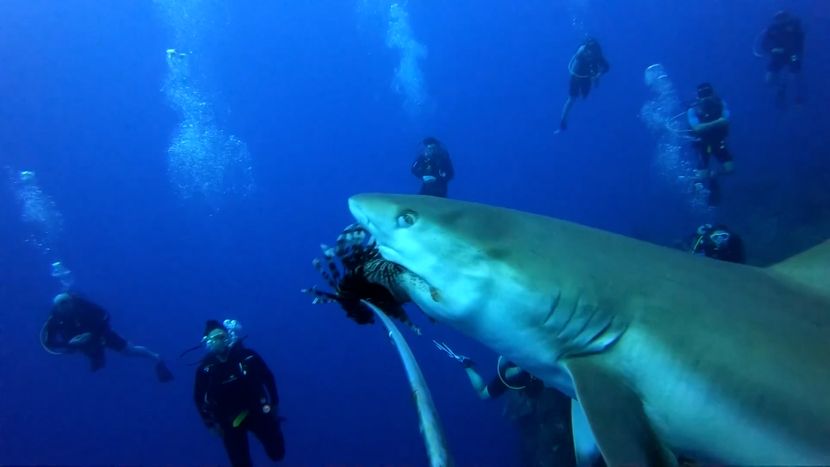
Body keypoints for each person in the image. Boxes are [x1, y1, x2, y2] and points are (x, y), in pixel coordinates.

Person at [194, 319, 285, 467]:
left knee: (277, 454)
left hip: (257, 410)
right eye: (214, 338)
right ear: (207, 342)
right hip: (228, 420)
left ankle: (275, 428)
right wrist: (210, 424)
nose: (218, 341)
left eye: (221, 336)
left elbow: (268, 377)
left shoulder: (248, 357)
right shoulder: (205, 369)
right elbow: (198, 397)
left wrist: (274, 403)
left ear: (228, 336)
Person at [40, 292, 173, 382]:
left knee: (130, 351)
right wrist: (70, 344)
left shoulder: (84, 307)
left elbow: (105, 315)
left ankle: (156, 358)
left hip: (101, 334)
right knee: (96, 362)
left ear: (72, 301)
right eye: (60, 305)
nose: (64, 307)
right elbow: (49, 342)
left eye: (66, 302)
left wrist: (94, 334)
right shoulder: (55, 319)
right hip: (82, 344)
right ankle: (98, 361)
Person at [433, 341, 543, 399]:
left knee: (483, 394)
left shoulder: (531, 378)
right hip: (509, 365)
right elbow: (508, 374)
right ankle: (467, 365)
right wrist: (522, 368)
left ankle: (467, 364)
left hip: (515, 360)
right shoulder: (522, 377)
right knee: (482, 393)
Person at [687, 82, 734, 206]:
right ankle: (694, 182)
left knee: (730, 169)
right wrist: (717, 122)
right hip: (703, 145)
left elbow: (726, 119)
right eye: (702, 94)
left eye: (708, 93)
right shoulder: (693, 110)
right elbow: (697, 128)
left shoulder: (720, 104)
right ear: (698, 96)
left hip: (718, 142)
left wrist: (706, 126)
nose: (706, 97)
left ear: (713, 93)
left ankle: (713, 176)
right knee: (701, 176)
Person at [558, 37, 610, 132]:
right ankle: (563, 120)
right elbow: (574, 69)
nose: (589, 54)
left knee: (584, 96)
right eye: (587, 52)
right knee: (572, 98)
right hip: (577, 75)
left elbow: (607, 67)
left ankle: (594, 79)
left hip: (588, 75)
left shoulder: (597, 55)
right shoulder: (580, 54)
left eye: (591, 53)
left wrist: (598, 74)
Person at [759, 10, 805, 107]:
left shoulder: (795, 26)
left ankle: (797, 97)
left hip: (792, 54)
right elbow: (764, 44)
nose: (781, 20)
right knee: (769, 80)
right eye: (778, 18)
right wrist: (772, 50)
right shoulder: (772, 29)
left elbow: (800, 43)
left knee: (794, 76)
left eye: (783, 17)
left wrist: (797, 53)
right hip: (778, 56)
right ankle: (781, 88)